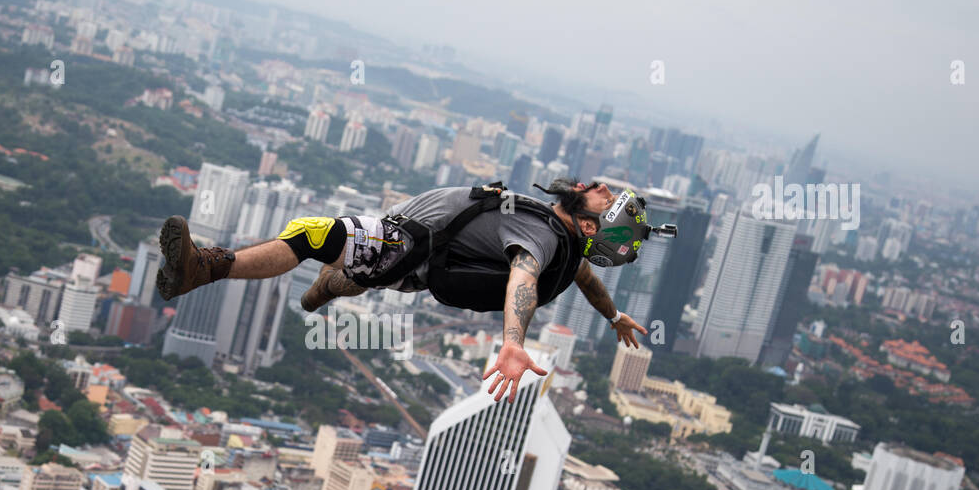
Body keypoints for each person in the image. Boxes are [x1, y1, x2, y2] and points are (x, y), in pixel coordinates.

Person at [156, 177, 651, 403]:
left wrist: (513, 342)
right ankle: (332, 285)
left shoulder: (543, 237)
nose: (602, 187)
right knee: (358, 267)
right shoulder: (564, 246)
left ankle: (204, 267)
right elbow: (586, 277)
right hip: (415, 253)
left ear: (591, 227)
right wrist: (613, 317)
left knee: (311, 233)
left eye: (607, 198)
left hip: (408, 244)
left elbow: (522, 276)